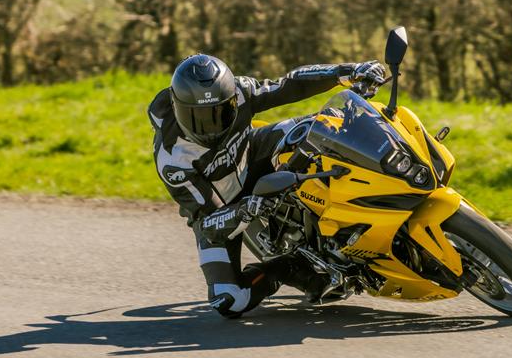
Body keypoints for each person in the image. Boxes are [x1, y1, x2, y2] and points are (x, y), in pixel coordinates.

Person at [148, 54, 386, 318]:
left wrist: (346, 72)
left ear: (232, 100)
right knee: (229, 301)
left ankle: (369, 195)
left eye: (221, 113)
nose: (210, 127)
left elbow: (289, 84)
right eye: (197, 117)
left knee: (320, 127)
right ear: (175, 105)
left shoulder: (240, 92)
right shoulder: (173, 159)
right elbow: (207, 223)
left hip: (253, 156)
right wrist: (244, 209)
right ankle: (287, 268)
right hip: (221, 211)